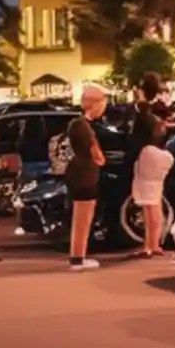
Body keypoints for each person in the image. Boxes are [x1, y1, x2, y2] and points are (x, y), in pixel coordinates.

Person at [67, 84, 108, 271]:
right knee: (83, 218)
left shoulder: (79, 124)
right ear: (94, 103)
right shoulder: (81, 125)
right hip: (84, 174)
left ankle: (78, 256)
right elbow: (95, 152)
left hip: (82, 173)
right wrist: (99, 158)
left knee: (82, 217)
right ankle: (78, 258)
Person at [130, 117, 174, 258]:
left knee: (150, 214)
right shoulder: (157, 152)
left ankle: (149, 245)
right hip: (154, 183)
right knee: (154, 213)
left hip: (145, 183)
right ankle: (153, 244)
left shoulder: (145, 150)